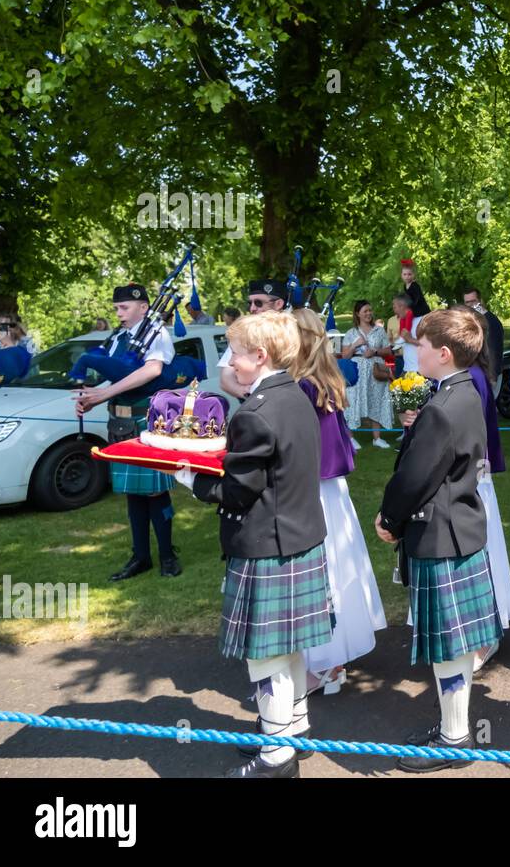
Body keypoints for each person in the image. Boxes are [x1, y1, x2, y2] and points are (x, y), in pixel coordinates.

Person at [175, 311, 332, 778]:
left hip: (268, 544)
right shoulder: (297, 393)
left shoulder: (255, 412)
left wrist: (192, 480)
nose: (231, 363)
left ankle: (276, 756)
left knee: (264, 654)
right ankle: (293, 730)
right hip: (299, 536)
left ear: (260, 355)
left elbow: (239, 491)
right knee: (289, 646)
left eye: (236, 354)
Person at [375, 309, 501, 774]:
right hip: (458, 528)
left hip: (440, 535)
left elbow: (414, 478)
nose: (417, 352)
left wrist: (389, 518)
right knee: (458, 645)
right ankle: (455, 728)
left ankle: (453, 738)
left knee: (449, 647)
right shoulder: (465, 391)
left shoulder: (442, 408)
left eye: (422, 345)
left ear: (443, 353)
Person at [290, 309, 387, 697]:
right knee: (335, 564)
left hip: (312, 487)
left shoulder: (303, 385)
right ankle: (332, 659)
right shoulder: (324, 378)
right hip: (330, 488)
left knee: (321, 569)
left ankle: (325, 662)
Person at [73, 284, 180, 581]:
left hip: (146, 422)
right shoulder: (118, 339)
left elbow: (151, 371)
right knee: (133, 493)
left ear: (143, 307)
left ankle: (168, 555)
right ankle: (140, 557)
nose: (119, 313)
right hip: (119, 424)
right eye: (116, 308)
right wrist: (92, 398)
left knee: (155, 492)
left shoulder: (157, 335)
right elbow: (117, 380)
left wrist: (104, 394)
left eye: (124, 307)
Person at [448, 303, 510, 670]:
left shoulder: (471, 377)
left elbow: (470, 434)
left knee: (481, 553)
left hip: (472, 476)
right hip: (471, 474)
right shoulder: (472, 374)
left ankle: (485, 634)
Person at [218, 280, 286, 399]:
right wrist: (248, 392)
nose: (252, 308)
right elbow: (226, 377)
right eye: (250, 303)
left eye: (259, 303)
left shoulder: (295, 331)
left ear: (278, 304)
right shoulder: (245, 333)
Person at [340, 300, 394, 450]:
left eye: (370, 310)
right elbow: (344, 356)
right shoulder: (351, 333)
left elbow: (388, 351)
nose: (369, 313)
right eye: (365, 311)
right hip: (356, 372)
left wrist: (375, 351)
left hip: (375, 371)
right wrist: (355, 345)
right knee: (353, 401)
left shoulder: (379, 331)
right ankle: (350, 438)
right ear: (358, 314)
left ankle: (377, 438)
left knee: (376, 400)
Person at [462, 286, 504, 381]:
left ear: (480, 301)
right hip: (478, 375)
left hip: (489, 376)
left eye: (473, 301)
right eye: (467, 302)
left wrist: (491, 378)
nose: (470, 305)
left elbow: (493, 351)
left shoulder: (490, 321)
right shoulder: (474, 321)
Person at [391, 293, 420, 375]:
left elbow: (431, 345)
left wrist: (411, 340)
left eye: (395, 307)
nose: (394, 310)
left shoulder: (421, 321)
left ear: (402, 306)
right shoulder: (403, 320)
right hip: (407, 369)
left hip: (419, 371)